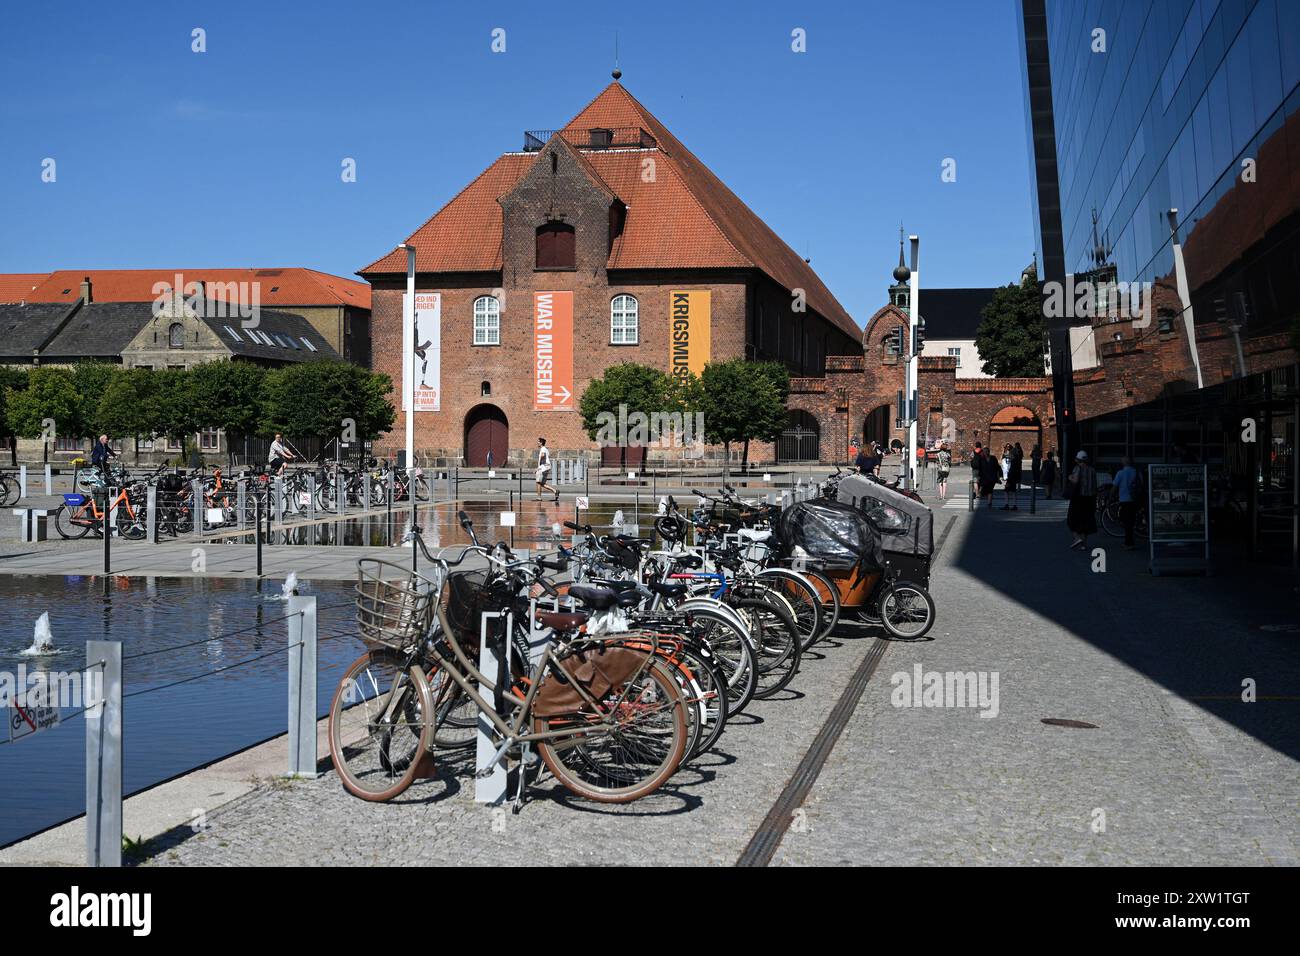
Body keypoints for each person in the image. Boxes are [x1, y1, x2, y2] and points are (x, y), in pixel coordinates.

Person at [1067, 450, 1099, 550]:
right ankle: (1084, 544)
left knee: (1071, 519)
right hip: (1090, 499)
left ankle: (1076, 538)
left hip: (1078, 498)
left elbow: (1075, 481)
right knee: (1086, 521)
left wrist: (1070, 477)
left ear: (1078, 460)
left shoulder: (1077, 468)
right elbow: (1095, 485)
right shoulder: (1092, 470)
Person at [1113, 455, 1140, 549]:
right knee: (1131, 522)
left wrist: (1110, 496)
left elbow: (1115, 486)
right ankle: (1130, 541)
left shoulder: (1120, 473)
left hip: (1124, 500)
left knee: (1126, 522)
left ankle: (1129, 543)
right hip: (1135, 500)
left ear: (1123, 462)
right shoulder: (1136, 472)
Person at [535, 437, 559, 503]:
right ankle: (555, 491)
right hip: (546, 467)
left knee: (538, 482)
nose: (537, 443)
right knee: (542, 483)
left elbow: (542, 458)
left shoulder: (543, 449)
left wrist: (538, 468)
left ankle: (539, 497)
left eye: (538, 442)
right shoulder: (545, 449)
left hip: (543, 467)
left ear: (541, 443)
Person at [1001, 442, 1023, 511]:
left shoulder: (1014, 462)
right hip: (1015, 477)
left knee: (1006, 491)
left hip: (1011, 478)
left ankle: (1007, 505)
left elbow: (1011, 471)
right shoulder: (1018, 461)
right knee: (1013, 492)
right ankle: (1014, 505)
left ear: (1013, 455)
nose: (1009, 456)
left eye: (1010, 455)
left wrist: (1008, 479)